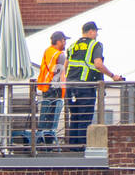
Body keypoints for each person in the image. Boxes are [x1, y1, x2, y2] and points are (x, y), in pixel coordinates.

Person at [64, 20, 124, 151]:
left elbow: (66, 66)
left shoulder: (72, 45)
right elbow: (98, 64)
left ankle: (73, 147)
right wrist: (113, 76)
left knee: (74, 116)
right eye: (96, 32)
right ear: (91, 31)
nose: (96, 34)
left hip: (70, 87)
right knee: (85, 118)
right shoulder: (95, 45)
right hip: (86, 86)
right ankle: (81, 148)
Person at [36, 30, 67, 145]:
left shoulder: (48, 51)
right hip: (54, 89)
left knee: (44, 115)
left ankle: (40, 140)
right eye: (64, 40)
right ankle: (48, 142)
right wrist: (60, 90)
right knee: (52, 117)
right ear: (58, 41)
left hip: (45, 87)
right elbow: (58, 74)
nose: (65, 43)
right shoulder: (60, 55)